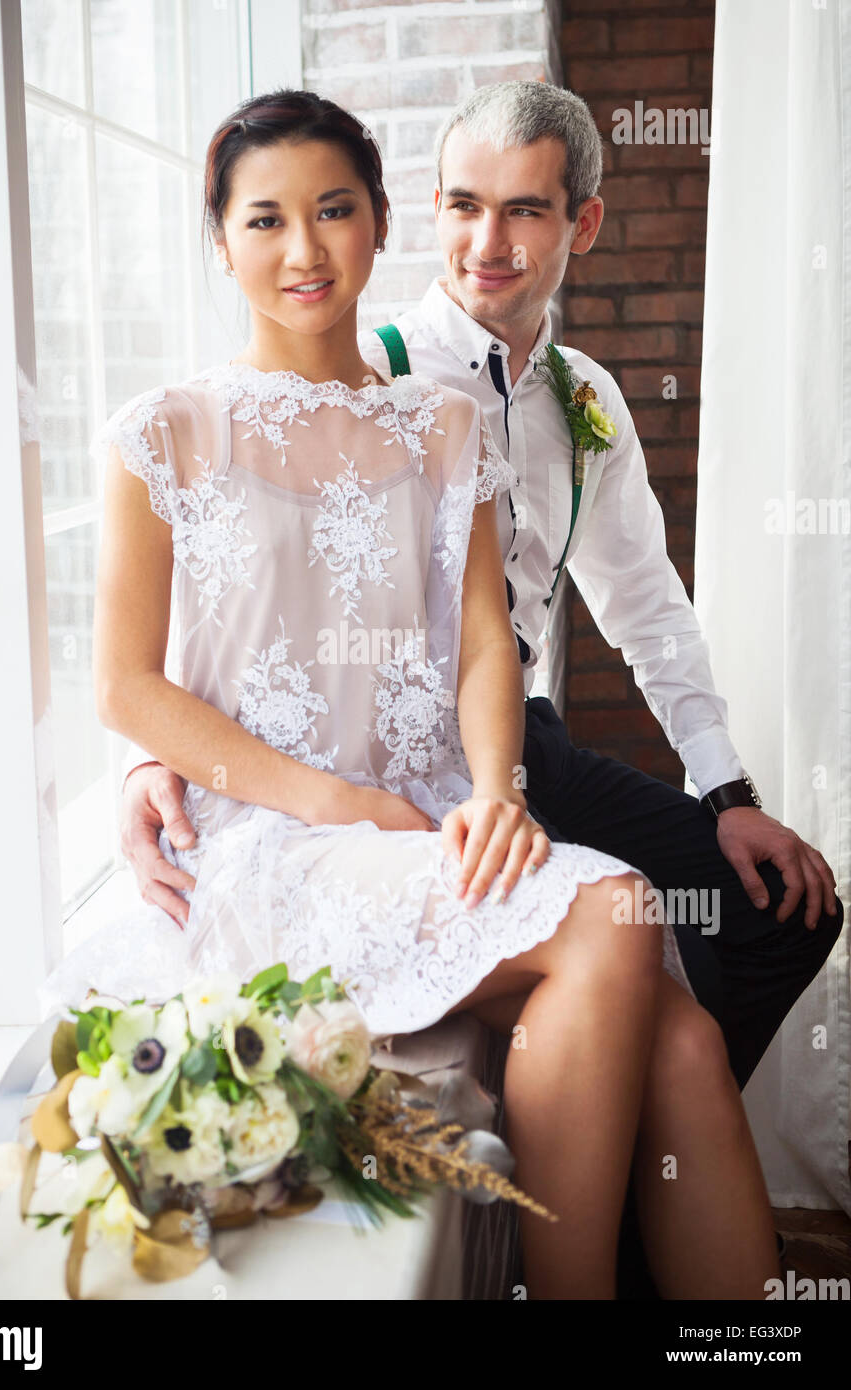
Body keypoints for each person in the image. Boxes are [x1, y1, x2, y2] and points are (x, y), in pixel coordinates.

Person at [43, 89, 781, 1300]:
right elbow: (125, 684)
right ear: (220, 241)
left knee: (688, 1041)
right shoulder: (160, 431)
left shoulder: (441, 425)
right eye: (265, 218)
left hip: (433, 817)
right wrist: (326, 801)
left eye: (335, 210)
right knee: (618, 913)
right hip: (279, 842)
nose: (304, 247)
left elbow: (490, 644)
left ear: (383, 224)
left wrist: (497, 794)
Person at [124, 82, 843, 1101]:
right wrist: (148, 764)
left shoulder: (586, 399)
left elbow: (645, 603)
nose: (488, 241)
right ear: (426, 213)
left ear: (581, 223)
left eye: (525, 210)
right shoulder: (351, 369)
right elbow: (240, 594)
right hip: (410, 770)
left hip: (518, 740)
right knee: (627, 944)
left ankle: (638, 1140)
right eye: (465, 205)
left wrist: (726, 793)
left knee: (782, 909)